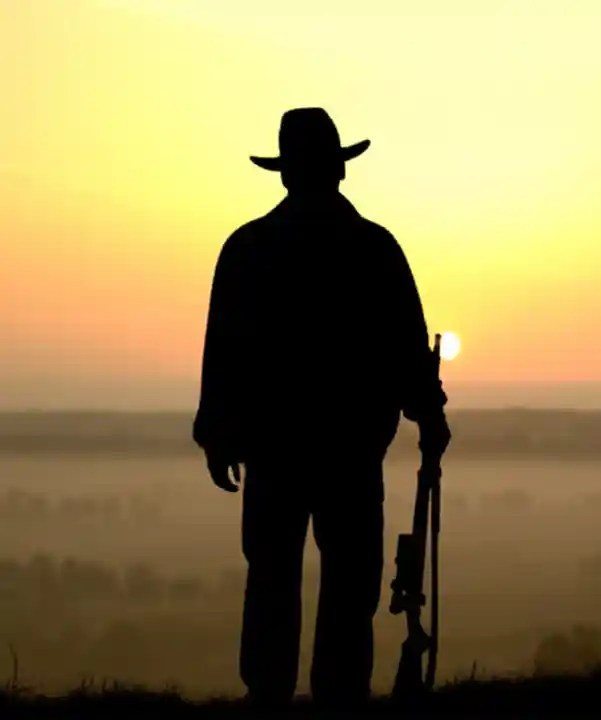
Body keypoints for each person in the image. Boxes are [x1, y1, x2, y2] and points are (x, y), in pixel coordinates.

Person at [193, 108, 450, 706]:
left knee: (272, 581)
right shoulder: (373, 247)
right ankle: (339, 698)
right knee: (349, 588)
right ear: (339, 170)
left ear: (286, 174)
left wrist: (218, 433)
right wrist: (429, 415)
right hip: (350, 452)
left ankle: (270, 696)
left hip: (274, 450)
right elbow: (408, 349)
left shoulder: (248, 247)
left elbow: (222, 350)